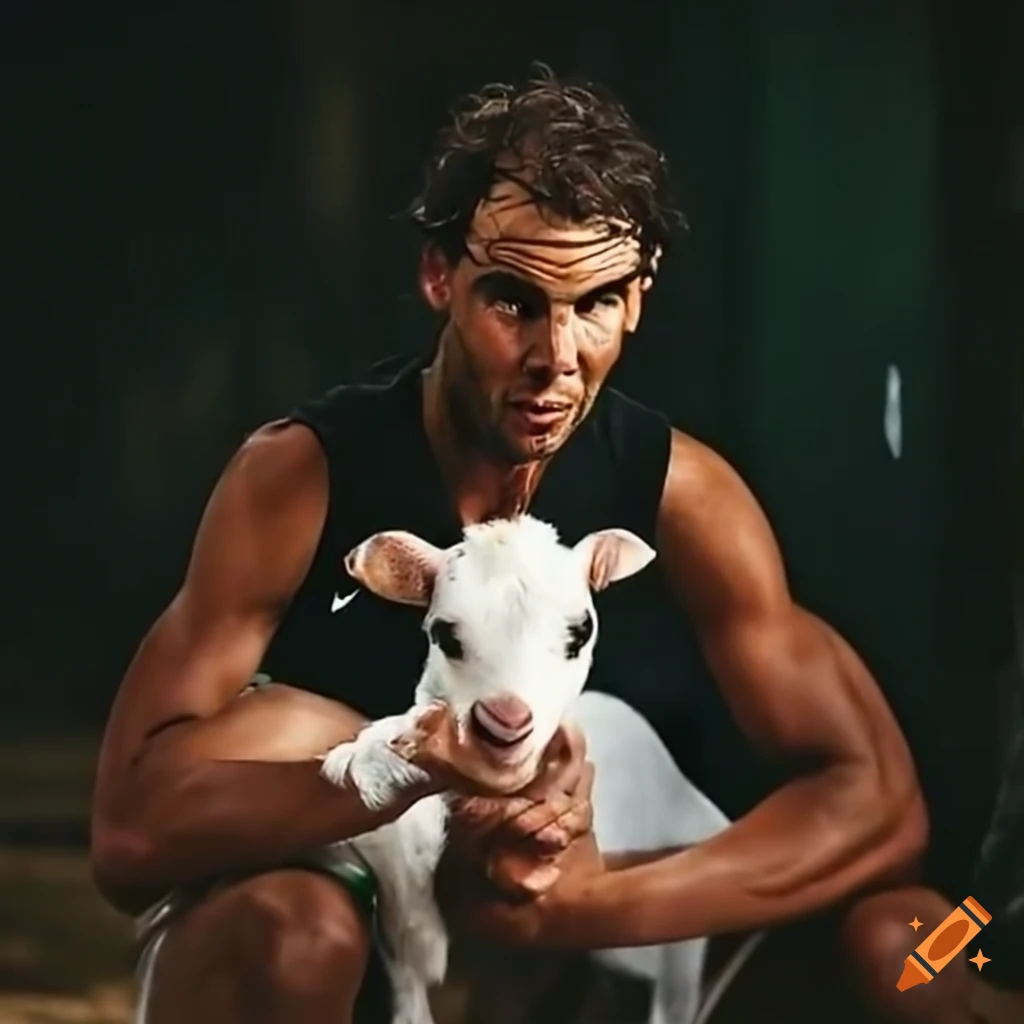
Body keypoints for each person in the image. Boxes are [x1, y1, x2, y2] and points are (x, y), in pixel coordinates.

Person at [90, 65, 991, 1023]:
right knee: (287, 929)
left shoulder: (686, 498)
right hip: (372, 941)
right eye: (515, 302)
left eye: (596, 303)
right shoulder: (301, 477)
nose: (556, 359)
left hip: (617, 954)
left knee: (916, 950)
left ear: (639, 297)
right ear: (441, 277)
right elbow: (128, 835)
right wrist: (404, 771)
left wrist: (576, 907)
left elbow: (882, 806)